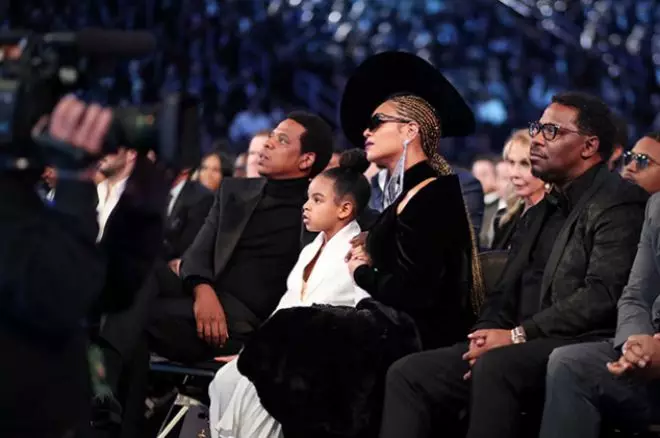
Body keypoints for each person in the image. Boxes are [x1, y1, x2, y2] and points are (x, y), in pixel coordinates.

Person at [236, 51, 483, 438]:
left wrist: (363, 271)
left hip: (414, 332)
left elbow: (418, 292)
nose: (365, 132)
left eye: (376, 122)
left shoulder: (433, 194)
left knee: (291, 335)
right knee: (288, 334)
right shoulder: (415, 192)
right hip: (393, 321)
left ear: (409, 130)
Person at [378, 91, 649, 438]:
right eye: (537, 127)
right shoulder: (537, 212)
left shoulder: (618, 201)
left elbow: (602, 295)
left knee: (495, 367)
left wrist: (518, 336)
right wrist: (484, 335)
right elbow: (503, 291)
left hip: (576, 343)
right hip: (516, 342)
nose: (536, 138)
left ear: (588, 146)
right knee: (409, 373)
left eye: (551, 131)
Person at [209, 149, 373, 438]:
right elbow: (286, 306)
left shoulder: (358, 251)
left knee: (257, 386)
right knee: (223, 380)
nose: (305, 206)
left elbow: (364, 314)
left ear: (345, 209)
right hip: (282, 347)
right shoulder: (310, 249)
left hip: (321, 354)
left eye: (317, 200)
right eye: (308, 197)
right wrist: (254, 349)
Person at [148, 111, 334, 363]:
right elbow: (197, 254)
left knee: (135, 313)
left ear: (306, 160)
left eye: (281, 140)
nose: (268, 143)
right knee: (138, 274)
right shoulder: (234, 191)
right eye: (271, 136)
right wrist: (203, 291)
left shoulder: (318, 211)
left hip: (239, 323)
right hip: (202, 294)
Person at [538, 192, 660, 438]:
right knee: (569, 363)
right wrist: (634, 343)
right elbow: (636, 293)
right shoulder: (657, 205)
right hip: (650, 345)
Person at [491, 129, 547, 250]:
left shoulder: (558, 221)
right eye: (511, 162)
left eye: (525, 164)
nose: (514, 174)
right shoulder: (504, 219)